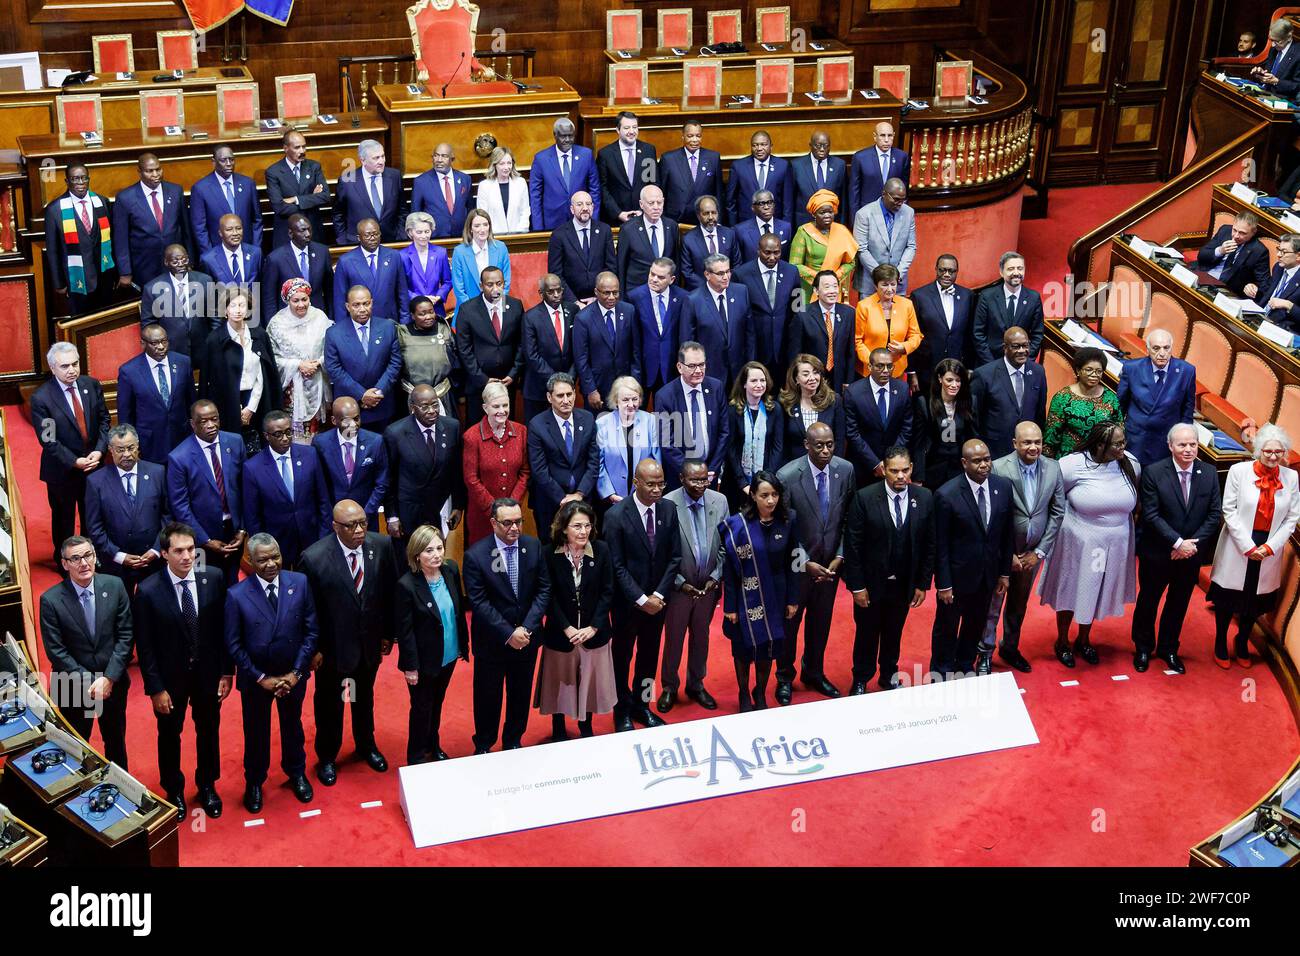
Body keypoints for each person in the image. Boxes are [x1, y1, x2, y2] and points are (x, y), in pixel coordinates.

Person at [298, 500, 400, 784]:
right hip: (333, 652)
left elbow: (389, 594)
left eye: (363, 523)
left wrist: (388, 634)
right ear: (335, 527)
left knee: (362, 698)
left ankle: (366, 745)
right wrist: (314, 649)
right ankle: (328, 756)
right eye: (350, 525)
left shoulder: (381, 546)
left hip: (368, 646)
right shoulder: (314, 558)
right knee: (331, 704)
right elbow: (308, 611)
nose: (359, 530)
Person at [134, 521, 231, 818]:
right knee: (169, 735)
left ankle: (207, 786)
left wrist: (227, 673)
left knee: (209, 731)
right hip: (169, 681)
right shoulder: (149, 591)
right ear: (164, 553)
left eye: (191, 549)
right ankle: (174, 790)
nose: (187, 556)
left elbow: (224, 630)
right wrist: (155, 688)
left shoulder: (213, 578)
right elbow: (145, 645)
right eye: (179, 551)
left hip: (208, 676)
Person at [224, 532, 317, 811]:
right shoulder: (236, 594)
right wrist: (261, 678)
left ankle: (296, 772)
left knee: (293, 726)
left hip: (292, 675)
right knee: (256, 733)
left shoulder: (299, 582)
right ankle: (254, 781)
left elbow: (311, 631)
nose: (271, 564)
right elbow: (233, 644)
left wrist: (296, 673)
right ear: (250, 561)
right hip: (257, 680)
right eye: (263, 559)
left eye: (275, 556)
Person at [1037, 420, 1141, 668]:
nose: (1122, 447)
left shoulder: (1131, 463)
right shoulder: (1072, 464)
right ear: (1099, 445)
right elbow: (1054, 497)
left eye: (1123, 441)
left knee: (1098, 590)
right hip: (1080, 540)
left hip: (1116, 542)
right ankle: (1062, 641)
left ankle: (1084, 639)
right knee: (1072, 589)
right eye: (1116, 443)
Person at [843, 446, 934, 691]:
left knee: (894, 632)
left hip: (904, 583)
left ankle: (888, 675)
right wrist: (857, 586)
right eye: (894, 471)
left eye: (905, 470)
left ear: (912, 469)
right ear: (884, 470)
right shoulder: (864, 498)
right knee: (866, 634)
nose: (900, 476)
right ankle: (861, 679)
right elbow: (853, 546)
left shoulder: (924, 498)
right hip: (871, 585)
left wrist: (923, 584)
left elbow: (929, 545)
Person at [463, 498, 552, 751]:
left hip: (527, 638)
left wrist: (526, 628)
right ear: (493, 523)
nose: (514, 528)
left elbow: (543, 590)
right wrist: (508, 633)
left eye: (518, 521)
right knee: (488, 697)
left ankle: (513, 740)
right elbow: (479, 602)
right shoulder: (475, 556)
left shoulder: (533, 546)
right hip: (493, 642)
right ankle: (484, 743)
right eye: (507, 523)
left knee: (520, 694)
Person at [1132, 423, 1222, 673]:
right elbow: (1150, 514)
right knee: (1148, 600)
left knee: (1179, 603)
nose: (1188, 449)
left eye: (1192, 444)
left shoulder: (1210, 472)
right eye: (1182, 444)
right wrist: (1177, 543)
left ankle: (1168, 648)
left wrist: (1189, 546)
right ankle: (1142, 647)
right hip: (1158, 552)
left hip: (1191, 555)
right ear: (1170, 446)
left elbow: (1214, 515)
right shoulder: (1153, 472)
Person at [1209, 425, 1300, 667]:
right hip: (1239, 543)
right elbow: (1228, 509)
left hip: (1269, 547)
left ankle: (1241, 641)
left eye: (1278, 452)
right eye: (1268, 451)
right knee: (1229, 596)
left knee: (1254, 600)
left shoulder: (1291, 477)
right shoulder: (1239, 471)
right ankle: (1220, 641)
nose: (1272, 456)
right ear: (1259, 450)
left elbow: (1292, 517)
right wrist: (1248, 546)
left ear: (1284, 453)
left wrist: (1269, 548)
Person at [39, 536, 133, 768]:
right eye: (76, 558)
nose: (83, 563)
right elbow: (56, 652)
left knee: (116, 744)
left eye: (88, 555)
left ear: (95, 556)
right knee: (72, 749)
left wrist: (109, 678)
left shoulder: (115, 586)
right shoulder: (50, 600)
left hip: (113, 682)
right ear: (65, 564)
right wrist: (92, 682)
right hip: (71, 683)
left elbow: (125, 635)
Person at [775, 422, 854, 700]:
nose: (825, 450)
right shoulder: (786, 475)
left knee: (821, 623)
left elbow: (848, 518)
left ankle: (814, 672)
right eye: (819, 445)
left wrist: (840, 555)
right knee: (790, 625)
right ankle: (784, 676)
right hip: (798, 567)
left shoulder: (845, 470)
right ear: (806, 445)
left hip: (830, 564)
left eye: (830, 444)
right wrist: (805, 561)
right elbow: (781, 528)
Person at [982, 422, 1065, 673]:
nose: (1033, 447)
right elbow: (992, 516)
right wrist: (1007, 555)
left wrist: (1039, 552)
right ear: (1015, 443)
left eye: (1037, 442)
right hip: (1003, 555)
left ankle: (1010, 647)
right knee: (993, 605)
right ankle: (984, 652)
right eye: (1027, 442)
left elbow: (1058, 512)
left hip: (1033, 555)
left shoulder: (1053, 468)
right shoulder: (998, 467)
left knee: (1018, 605)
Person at [605, 460, 682, 730]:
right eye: (651, 484)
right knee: (622, 658)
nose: (657, 489)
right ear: (636, 482)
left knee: (649, 658)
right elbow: (616, 565)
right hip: (628, 604)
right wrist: (641, 599)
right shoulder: (615, 516)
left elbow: (675, 557)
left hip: (658, 602)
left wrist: (658, 595)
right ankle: (621, 709)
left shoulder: (669, 510)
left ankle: (643, 705)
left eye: (661, 483)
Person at [932, 440, 1014, 677]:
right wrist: (944, 583)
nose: (984, 465)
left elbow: (1007, 534)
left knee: (975, 624)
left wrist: (1004, 573)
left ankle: (965, 665)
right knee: (947, 627)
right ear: (964, 463)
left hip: (987, 575)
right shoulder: (946, 494)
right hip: (956, 578)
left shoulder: (1003, 487)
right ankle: (942, 670)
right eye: (977, 461)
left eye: (987, 459)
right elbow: (941, 545)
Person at [720, 470, 800, 711]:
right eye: (765, 495)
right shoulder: (739, 526)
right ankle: (744, 693)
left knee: (768, 648)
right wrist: (730, 606)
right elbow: (730, 571)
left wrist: (793, 598)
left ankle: (761, 692)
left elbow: (795, 561)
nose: (771, 500)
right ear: (753, 495)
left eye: (775, 494)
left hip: (776, 595)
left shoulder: (789, 520)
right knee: (744, 650)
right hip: (746, 596)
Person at [537, 501, 617, 739]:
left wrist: (594, 626)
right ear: (564, 528)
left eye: (588, 526)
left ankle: (586, 726)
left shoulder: (601, 550)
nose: (583, 532)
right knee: (560, 686)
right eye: (577, 526)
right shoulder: (548, 553)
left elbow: (607, 591)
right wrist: (566, 626)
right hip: (561, 633)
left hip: (594, 633)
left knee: (589, 685)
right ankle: (559, 728)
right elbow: (547, 595)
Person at [395, 524, 468, 763]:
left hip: (448, 654)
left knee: (437, 704)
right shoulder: (407, 585)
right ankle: (416, 755)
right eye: (429, 550)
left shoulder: (450, 570)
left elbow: (457, 612)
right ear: (417, 554)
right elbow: (405, 632)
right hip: (423, 662)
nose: (436, 554)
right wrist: (410, 666)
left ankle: (432, 744)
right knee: (421, 708)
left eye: (439, 548)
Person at [30, 342, 110, 558]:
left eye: (75, 364)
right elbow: (49, 441)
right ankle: (65, 560)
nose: (72, 370)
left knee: (92, 516)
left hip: (93, 466)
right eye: (65, 366)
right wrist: (75, 461)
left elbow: (104, 420)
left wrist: (100, 450)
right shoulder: (41, 398)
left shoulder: (91, 385)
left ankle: (90, 556)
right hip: (62, 471)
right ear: (52, 368)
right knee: (64, 519)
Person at [659, 460, 726, 713]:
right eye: (694, 480)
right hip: (679, 588)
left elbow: (724, 544)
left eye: (704, 479)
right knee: (674, 638)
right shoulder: (667, 503)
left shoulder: (720, 501)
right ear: (681, 478)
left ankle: (696, 684)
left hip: (708, 587)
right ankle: (669, 687)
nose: (700, 485)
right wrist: (680, 583)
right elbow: (662, 552)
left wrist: (716, 577)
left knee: (702, 637)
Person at [167, 400, 247, 585]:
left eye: (214, 419)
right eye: (204, 421)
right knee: (204, 584)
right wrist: (206, 540)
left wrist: (242, 529)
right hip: (200, 537)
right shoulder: (179, 457)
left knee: (233, 581)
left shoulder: (235, 442)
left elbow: (245, 489)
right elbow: (180, 506)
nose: (211, 425)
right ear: (193, 424)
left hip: (234, 531)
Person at [84, 424, 168, 597]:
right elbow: (94, 527)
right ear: (110, 450)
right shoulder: (96, 481)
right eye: (120, 449)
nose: (127, 454)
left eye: (131, 448)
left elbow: (168, 516)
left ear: (138, 446)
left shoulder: (158, 472)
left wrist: (156, 550)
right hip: (116, 565)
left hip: (153, 560)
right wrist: (119, 556)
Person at [242, 410, 330, 568]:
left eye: (288, 432)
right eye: (278, 434)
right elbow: (252, 516)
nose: (285, 438)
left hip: (312, 538)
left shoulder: (310, 455)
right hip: (276, 545)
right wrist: (263, 547)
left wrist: (324, 536)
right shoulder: (252, 468)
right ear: (267, 436)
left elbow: (323, 499)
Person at [382, 384, 466, 544]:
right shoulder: (395, 433)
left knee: (435, 558)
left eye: (435, 404)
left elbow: (456, 472)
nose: (432, 410)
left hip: (439, 509)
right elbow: (389, 479)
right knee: (409, 561)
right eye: (424, 406)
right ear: (413, 407)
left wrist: (458, 505)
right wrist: (392, 516)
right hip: (409, 512)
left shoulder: (452, 427)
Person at [199, 288, 278, 449]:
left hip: (258, 400)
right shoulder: (214, 340)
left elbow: (265, 375)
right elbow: (207, 381)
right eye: (232, 305)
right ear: (225, 309)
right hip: (227, 404)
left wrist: (251, 408)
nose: (237, 310)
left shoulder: (259, 334)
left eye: (242, 305)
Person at [528, 372, 598, 543]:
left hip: (584, 498)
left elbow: (594, 461)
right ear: (549, 397)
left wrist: (580, 494)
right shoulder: (537, 425)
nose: (566, 400)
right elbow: (539, 470)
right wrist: (563, 499)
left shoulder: (587, 419)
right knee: (552, 552)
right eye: (560, 396)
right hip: (550, 502)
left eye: (569, 394)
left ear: (575, 394)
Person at [323, 286, 404, 430]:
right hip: (350, 406)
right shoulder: (334, 333)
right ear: (348, 307)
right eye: (356, 305)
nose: (362, 309)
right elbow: (334, 369)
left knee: (383, 449)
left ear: (372, 303)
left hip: (382, 404)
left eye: (366, 303)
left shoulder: (388, 327)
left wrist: (377, 393)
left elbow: (395, 363)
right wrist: (362, 394)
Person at [115, 323, 194, 465]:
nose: (161, 346)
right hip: (150, 444)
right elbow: (126, 414)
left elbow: (191, 401)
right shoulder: (129, 371)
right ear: (143, 344)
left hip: (182, 439)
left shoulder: (183, 362)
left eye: (164, 341)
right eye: (154, 343)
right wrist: (131, 446)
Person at [655, 342, 729, 490]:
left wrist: (712, 468)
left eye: (702, 365)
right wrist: (691, 473)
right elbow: (666, 442)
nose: (698, 370)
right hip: (680, 477)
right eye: (692, 366)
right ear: (679, 367)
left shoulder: (716, 388)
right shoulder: (664, 396)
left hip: (710, 474)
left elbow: (724, 432)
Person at [266, 278, 334, 442]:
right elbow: (271, 359)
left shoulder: (320, 317)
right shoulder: (277, 323)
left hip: (319, 385)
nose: (301, 304)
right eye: (295, 300)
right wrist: (297, 365)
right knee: (297, 439)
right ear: (287, 300)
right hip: (292, 391)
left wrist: (318, 363)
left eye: (304, 299)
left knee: (320, 436)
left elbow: (333, 349)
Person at [456, 266, 525, 425]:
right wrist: (482, 379)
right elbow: (464, 349)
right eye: (490, 284)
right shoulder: (468, 309)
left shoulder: (515, 305)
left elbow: (522, 343)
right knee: (478, 428)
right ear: (481, 286)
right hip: (478, 383)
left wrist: (514, 373)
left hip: (506, 380)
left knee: (506, 426)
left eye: (499, 283)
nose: (496, 288)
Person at [463, 382, 530, 545]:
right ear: (485, 408)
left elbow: (525, 472)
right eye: (496, 406)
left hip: (513, 516)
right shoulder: (472, 436)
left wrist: (512, 505)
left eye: (505, 405)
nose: (502, 411)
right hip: (483, 515)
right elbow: (471, 479)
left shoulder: (521, 431)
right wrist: (495, 509)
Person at [111, 153, 190, 289]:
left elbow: (185, 229)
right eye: (149, 171)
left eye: (158, 169)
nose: (155, 174)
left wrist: (190, 260)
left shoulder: (175, 191)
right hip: (144, 266)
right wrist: (125, 272)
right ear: (139, 172)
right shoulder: (125, 198)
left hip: (175, 264)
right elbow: (120, 239)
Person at [44, 164, 115, 316]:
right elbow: (53, 251)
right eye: (75, 179)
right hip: (76, 281)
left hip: (104, 278)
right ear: (67, 181)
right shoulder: (54, 210)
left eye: (84, 178)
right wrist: (59, 284)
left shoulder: (102, 202)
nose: (81, 183)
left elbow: (111, 240)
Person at [971, 326, 1048, 458]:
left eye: (1025, 346)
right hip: (994, 449)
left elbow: (1040, 413)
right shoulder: (984, 375)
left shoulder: (1038, 372)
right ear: (1005, 348)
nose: (1022, 351)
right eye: (1016, 346)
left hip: (1027, 451)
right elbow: (974, 417)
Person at [314, 395, 388, 528]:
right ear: (334, 420)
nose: (353, 425)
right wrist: (331, 515)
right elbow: (320, 484)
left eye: (356, 419)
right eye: (346, 421)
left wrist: (365, 514)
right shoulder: (321, 443)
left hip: (367, 518)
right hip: (334, 520)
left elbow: (381, 483)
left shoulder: (375, 441)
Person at [736, 232, 801, 383]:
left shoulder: (793, 271)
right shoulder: (741, 274)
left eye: (776, 252)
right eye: (767, 253)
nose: (772, 257)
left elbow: (798, 309)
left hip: (783, 347)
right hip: (756, 346)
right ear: (758, 251)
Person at [573, 271, 640, 414]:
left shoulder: (629, 311)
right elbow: (581, 359)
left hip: (626, 387)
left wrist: (635, 384)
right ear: (596, 292)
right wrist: (590, 389)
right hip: (598, 389)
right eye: (606, 293)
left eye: (615, 293)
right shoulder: (583, 318)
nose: (611, 297)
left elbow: (636, 351)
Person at [686, 253, 754, 389]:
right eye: (720, 273)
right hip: (709, 372)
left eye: (728, 271)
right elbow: (688, 341)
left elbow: (750, 333)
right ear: (707, 274)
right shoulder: (693, 300)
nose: (726, 277)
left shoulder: (741, 292)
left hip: (738, 371)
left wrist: (750, 365)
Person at [846, 347, 913, 483]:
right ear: (870, 366)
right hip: (864, 465)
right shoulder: (853, 392)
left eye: (889, 366)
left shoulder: (902, 389)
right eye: (880, 366)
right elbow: (852, 433)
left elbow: (907, 427)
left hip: (895, 467)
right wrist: (875, 463)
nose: (886, 371)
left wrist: (892, 460)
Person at [911, 255, 975, 396]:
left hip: (956, 370)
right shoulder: (919, 295)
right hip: (927, 369)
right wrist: (912, 372)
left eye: (951, 271)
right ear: (936, 269)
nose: (946, 274)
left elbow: (970, 334)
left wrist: (970, 367)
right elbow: (912, 334)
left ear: (957, 272)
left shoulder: (967, 296)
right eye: (942, 270)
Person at [1043, 347, 1123, 458]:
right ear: (1078, 370)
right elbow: (1051, 436)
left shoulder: (1110, 398)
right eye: (1089, 369)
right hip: (1068, 458)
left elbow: (1118, 429)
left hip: (1099, 459)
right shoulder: (1063, 397)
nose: (1094, 374)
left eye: (1099, 371)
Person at [911, 358, 976, 490]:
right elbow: (919, 443)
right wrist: (918, 477)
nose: (954, 385)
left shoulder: (970, 402)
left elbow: (973, 437)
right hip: (933, 468)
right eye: (949, 380)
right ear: (940, 379)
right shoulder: (924, 403)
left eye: (958, 380)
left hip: (959, 469)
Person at [726, 361, 784, 509]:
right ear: (744, 384)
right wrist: (743, 483)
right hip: (737, 481)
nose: (759, 385)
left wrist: (766, 480)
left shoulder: (774, 409)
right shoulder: (733, 409)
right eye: (754, 381)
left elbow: (778, 447)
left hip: (766, 483)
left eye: (762, 380)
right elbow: (731, 449)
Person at [628, 257, 689, 395]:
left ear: (671, 279)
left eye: (660, 277)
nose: (654, 279)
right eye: (652, 274)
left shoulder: (683, 298)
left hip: (671, 368)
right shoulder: (634, 297)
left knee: (666, 415)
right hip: (643, 368)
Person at [522, 274, 579, 422]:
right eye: (551, 291)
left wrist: (569, 378)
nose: (556, 295)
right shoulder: (531, 317)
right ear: (541, 293)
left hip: (568, 385)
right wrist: (556, 381)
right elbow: (531, 355)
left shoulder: (573, 310)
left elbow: (579, 349)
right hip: (539, 387)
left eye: (559, 290)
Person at [140, 244, 213, 358]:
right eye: (175, 262)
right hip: (172, 351)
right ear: (166, 262)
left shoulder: (205, 280)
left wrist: (214, 341)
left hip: (204, 348)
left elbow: (215, 316)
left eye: (184, 260)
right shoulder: (152, 289)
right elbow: (149, 325)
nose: (180, 265)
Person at [332, 218, 409, 326]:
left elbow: (402, 293)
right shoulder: (346, 261)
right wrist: (342, 327)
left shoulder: (394, 256)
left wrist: (405, 322)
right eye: (368, 235)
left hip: (389, 321)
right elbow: (340, 299)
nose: (372, 238)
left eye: (375, 234)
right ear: (359, 237)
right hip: (359, 323)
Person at [597, 376, 661, 505]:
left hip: (644, 495)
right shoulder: (601, 424)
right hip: (612, 498)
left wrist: (652, 488)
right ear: (616, 401)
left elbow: (656, 459)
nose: (631, 404)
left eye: (635, 399)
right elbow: (598, 464)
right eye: (625, 400)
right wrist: (609, 493)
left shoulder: (650, 421)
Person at [853, 263, 922, 382]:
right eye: (885, 285)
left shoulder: (906, 305)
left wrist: (904, 347)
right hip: (870, 371)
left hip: (897, 370)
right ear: (875, 285)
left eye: (893, 284)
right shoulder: (864, 306)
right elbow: (857, 341)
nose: (890, 289)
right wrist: (873, 360)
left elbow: (916, 335)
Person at [530, 117, 601, 231]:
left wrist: (594, 220)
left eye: (571, 135)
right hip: (552, 222)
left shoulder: (586, 155)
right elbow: (535, 197)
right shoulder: (541, 159)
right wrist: (538, 228)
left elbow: (595, 190)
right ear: (555, 135)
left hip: (581, 220)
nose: (567, 140)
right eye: (563, 136)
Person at [261, 213, 333, 323]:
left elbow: (330, 291)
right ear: (291, 233)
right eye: (302, 230)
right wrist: (273, 325)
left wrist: (331, 318)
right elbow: (269, 298)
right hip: (288, 321)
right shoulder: (276, 258)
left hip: (317, 319)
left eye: (309, 230)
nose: (308, 234)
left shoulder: (322, 252)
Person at [974, 252, 1045, 363]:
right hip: (991, 362)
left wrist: (1025, 360)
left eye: (1020, 268)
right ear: (1001, 272)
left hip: (1021, 363)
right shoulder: (987, 296)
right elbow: (978, 333)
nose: (1016, 273)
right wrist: (990, 364)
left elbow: (1037, 334)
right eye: (1011, 269)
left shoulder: (1033, 298)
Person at [190, 145, 261, 256]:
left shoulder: (248, 184)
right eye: (223, 160)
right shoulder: (201, 189)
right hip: (217, 253)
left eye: (231, 159)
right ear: (214, 162)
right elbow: (200, 229)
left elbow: (257, 221)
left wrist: (256, 250)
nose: (229, 164)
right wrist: (210, 257)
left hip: (247, 251)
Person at [547, 191, 615, 304]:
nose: (585, 208)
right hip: (571, 301)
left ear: (593, 207)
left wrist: (597, 297)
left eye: (588, 204)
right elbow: (555, 274)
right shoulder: (559, 235)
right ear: (572, 209)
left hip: (600, 300)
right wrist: (575, 302)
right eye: (579, 204)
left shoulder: (604, 231)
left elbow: (611, 267)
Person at [789, 191, 857, 305]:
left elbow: (851, 262)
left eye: (830, 212)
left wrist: (834, 277)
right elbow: (795, 265)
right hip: (809, 289)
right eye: (822, 212)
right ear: (814, 214)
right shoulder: (804, 232)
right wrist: (820, 278)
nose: (827, 215)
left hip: (834, 288)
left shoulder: (842, 231)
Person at [265, 130, 330, 248]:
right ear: (285, 148)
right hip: (286, 233)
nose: (302, 151)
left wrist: (296, 199)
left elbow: (325, 196)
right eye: (297, 147)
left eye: (304, 147)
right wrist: (312, 199)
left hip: (313, 231)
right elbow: (279, 207)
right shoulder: (273, 172)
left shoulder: (314, 167)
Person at [398, 295, 460, 417]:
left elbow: (457, 360)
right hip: (411, 393)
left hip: (442, 392)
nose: (428, 317)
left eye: (431, 312)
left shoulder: (444, 329)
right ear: (412, 315)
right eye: (422, 314)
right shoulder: (402, 333)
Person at [852, 178, 916, 296]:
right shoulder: (864, 214)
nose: (900, 204)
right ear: (884, 194)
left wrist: (898, 273)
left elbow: (911, 246)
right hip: (870, 282)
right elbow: (861, 249)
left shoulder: (908, 212)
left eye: (903, 200)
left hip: (898, 282)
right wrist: (881, 275)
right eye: (896, 199)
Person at [333, 139, 405, 244]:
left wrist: (401, 234)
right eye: (376, 158)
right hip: (357, 243)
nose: (381, 161)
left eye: (383, 156)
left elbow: (402, 210)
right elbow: (338, 213)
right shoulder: (347, 181)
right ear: (363, 160)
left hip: (391, 241)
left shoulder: (394, 176)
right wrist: (343, 240)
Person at [779, 354, 845, 462]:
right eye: (806, 374)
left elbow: (840, 439)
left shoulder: (834, 400)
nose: (812, 378)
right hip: (795, 468)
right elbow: (782, 442)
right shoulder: (786, 403)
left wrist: (835, 466)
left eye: (816, 372)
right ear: (796, 379)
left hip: (827, 465)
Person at [596, 110, 658, 226]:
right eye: (627, 128)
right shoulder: (606, 154)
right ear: (618, 130)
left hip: (643, 217)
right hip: (615, 219)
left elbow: (652, 182)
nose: (632, 131)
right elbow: (602, 188)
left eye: (634, 127)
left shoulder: (648, 151)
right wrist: (618, 213)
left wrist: (645, 210)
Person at [450, 209, 512, 319]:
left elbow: (506, 282)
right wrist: (474, 312)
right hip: (469, 312)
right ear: (470, 229)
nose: (482, 230)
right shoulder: (459, 252)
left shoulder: (501, 248)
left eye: (485, 224)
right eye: (477, 226)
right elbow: (459, 289)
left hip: (496, 307)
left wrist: (496, 305)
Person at [659, 121, 722, 226]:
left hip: (705, 219)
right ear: (683, 137)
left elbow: (718, 193)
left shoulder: (713, 158)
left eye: (698, 136)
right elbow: (662, 191)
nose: (694, 140)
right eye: (690, 136)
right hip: (676, 219)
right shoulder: (668, 159)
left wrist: (719, 220)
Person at [617, 185, 679, 290]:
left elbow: (675, 261)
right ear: (641, 204)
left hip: (665, 290)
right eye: (651, 203)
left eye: (659, 203)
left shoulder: (671, 226)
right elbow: (621, 265)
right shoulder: (628, 229)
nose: (656, 207)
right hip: (636, 290)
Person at [1195, 211, 1269, 297]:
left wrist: (1254, 287)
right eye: (1234, 230)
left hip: (1224, 289)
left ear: (1253, 232)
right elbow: (1202, 255)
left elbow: (1264, 284)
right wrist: (1220, 251)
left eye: (1242, 233)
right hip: (1203, 274)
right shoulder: (1225, 230)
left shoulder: (1259, 251)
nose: (1236, 236)